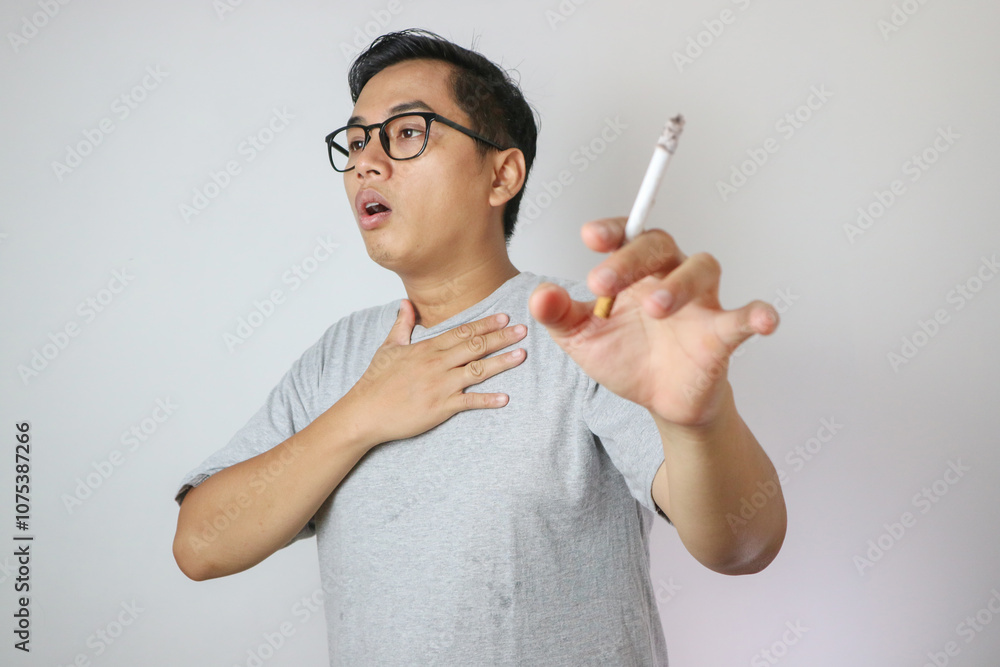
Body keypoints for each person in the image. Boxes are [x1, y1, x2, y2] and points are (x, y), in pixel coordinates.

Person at [172, 28, 786, 666]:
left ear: (503, 174)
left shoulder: (592, 331)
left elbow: (745, 545)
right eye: (355, 141)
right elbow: (201, 545)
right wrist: (364, 412)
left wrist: (702, 419)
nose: (364, 163)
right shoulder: (340, 355)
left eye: (407, 133)